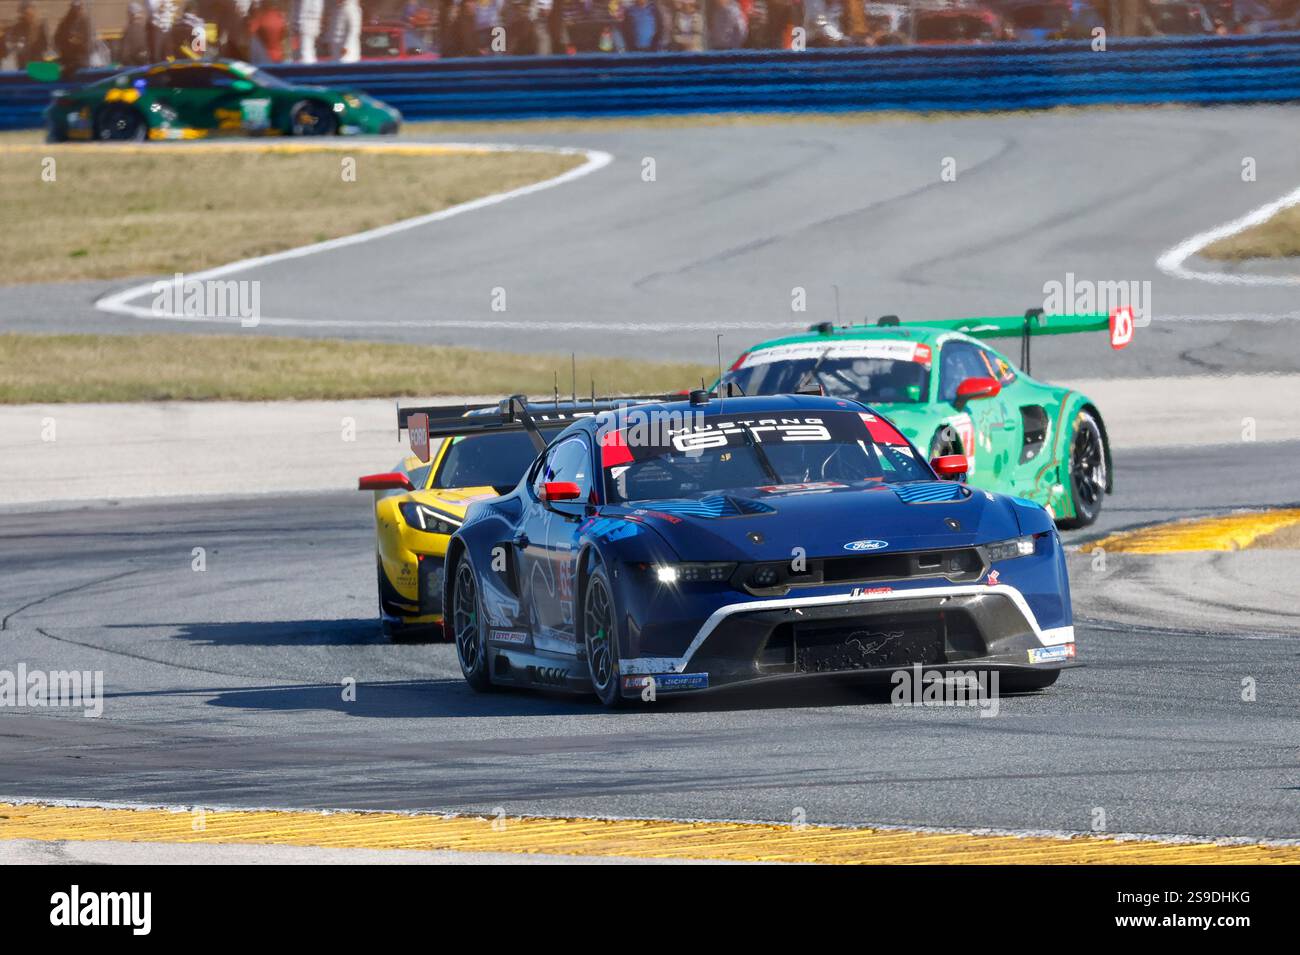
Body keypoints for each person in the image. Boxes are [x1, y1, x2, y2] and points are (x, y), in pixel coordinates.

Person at [2, 0, 50, 69]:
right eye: (25, 13)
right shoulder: (17, 27)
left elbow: (47, 46)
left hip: (39, 66)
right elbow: (12, 46)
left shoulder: (42, 26)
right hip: (23, 67)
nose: (28, 15)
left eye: (30, 11)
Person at [53, 0, 94, 76]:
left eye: (78, 8)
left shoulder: (86, 22)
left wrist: (79, 43)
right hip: (67, 58)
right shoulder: (65, 22)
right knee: (54, 64)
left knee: (68, 68)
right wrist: (65, 43)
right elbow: (57, 39)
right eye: (74, 8)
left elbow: (89, 46)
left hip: (80, 60)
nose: (76, 11)